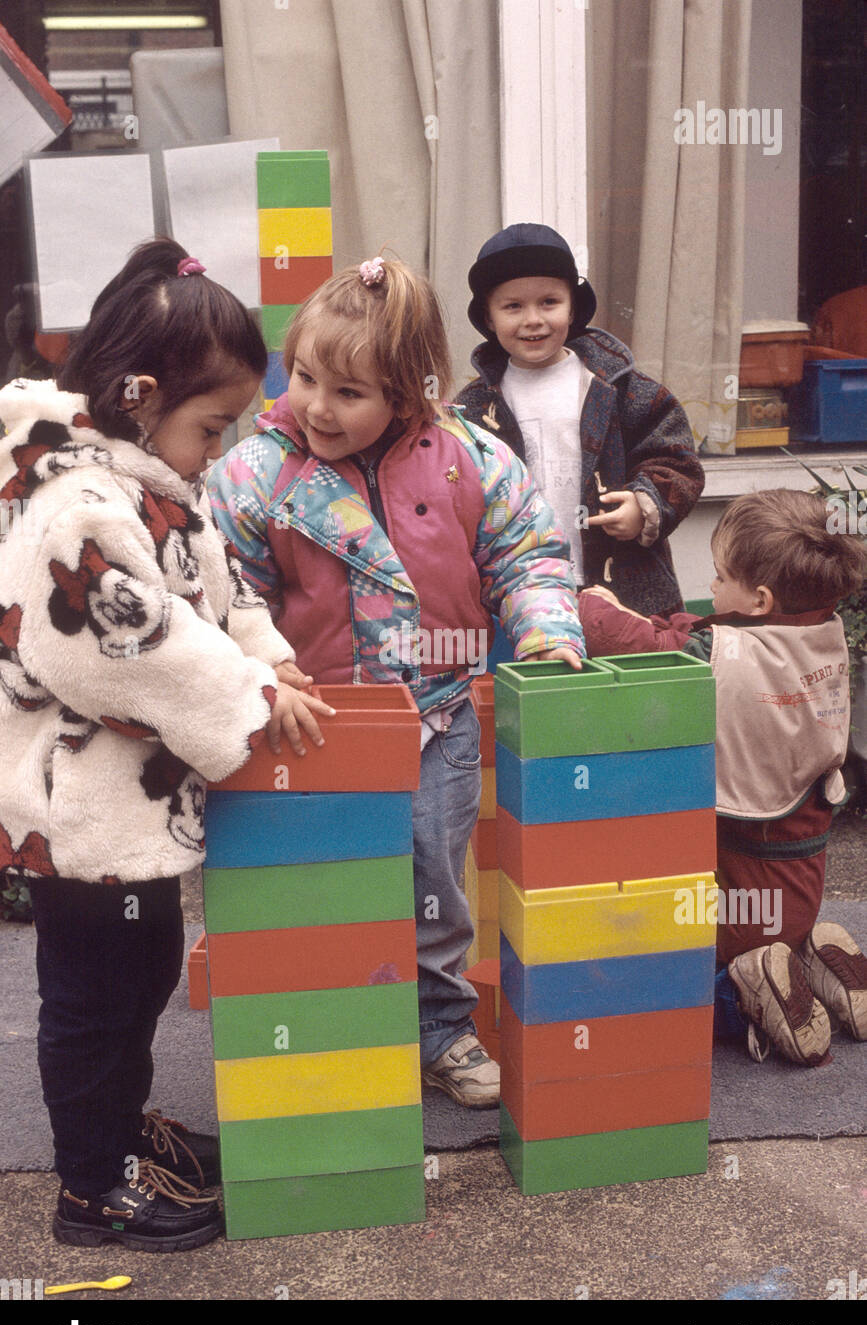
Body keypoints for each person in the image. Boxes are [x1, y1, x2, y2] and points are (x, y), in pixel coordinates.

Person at [0, 238, 333, 1251]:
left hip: (127, 814)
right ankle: (93, 1185)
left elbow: (217, 600)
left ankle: (119, 1128)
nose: (219, 450)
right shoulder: (77, 506)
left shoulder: (154, 494)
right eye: (211, 426)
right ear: (139, 398)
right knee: (96, 998)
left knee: (136, 977)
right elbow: (128, 643)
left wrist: (269, 660)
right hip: (81, 815)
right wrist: (246, 693)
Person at [208, 253, 585, 1107]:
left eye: (348, 392)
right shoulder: (256, 473)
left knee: (432, 888)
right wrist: (260, 673)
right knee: (316, 887)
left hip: (436, 718)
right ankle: (325, 1033)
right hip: (308, 727)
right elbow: (222, 589)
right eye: (304, 376)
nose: (316, 406)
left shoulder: (466, 458)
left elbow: (525, 555)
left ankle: (439, 1028)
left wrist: (547, 633)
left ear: (409, 392)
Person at [578, 489, 867, 1066]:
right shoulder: (817, 629)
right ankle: (807, 960)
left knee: (671, 993)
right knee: (779, 932)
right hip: (799, 878)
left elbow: (649, 644)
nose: (710, 587)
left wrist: (590, 604)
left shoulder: (717, 654)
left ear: (759, 599)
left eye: (719, 576)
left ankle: (750, 985)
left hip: (741, 897)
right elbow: (712, 632)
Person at [454, 223, 705, 617]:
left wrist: (644, 504)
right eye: (513, 306)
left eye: (549, 302)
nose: (533, 319)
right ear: (488, 317)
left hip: (621, 585)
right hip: (517, 587)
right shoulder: (472, 408)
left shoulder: (619, 387)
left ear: (574, 307)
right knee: (537, 676)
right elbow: (452, 491)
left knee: (625, 676)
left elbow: (677, 458)